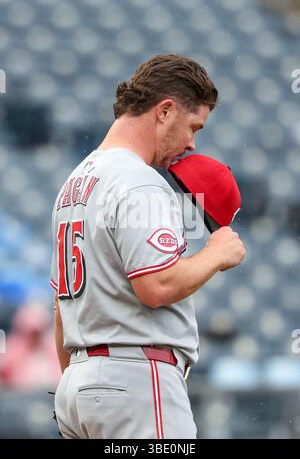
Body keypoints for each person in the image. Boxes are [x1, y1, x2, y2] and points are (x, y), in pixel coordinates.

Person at [50, 53, 245, 439]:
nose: (192, 143)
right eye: (193, 126)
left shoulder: (74, 183)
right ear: (165, 110)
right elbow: (156, 286)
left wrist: (83, 379)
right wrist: (216, 253)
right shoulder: (139, 180)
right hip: (136, 379)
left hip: (80, 383)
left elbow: (59, 307)